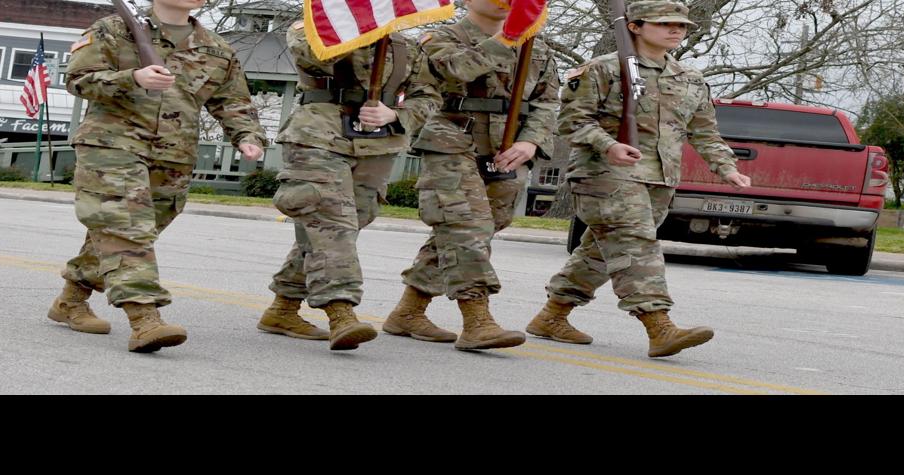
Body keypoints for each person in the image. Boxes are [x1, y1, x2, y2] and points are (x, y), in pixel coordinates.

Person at [528, 0, 750, 358]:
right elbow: (571, 121)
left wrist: (727, 168)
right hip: (604, 174)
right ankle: (658, 325)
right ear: (635, 26)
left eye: (681, 25)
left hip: (659, 179)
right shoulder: (603, 70)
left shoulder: (689, 79)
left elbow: (704, 132)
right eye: (665, 23)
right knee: (636, 244)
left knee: (601, 251)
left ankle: (552, 316)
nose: (676, 30)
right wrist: (609, 145)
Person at [50, 0, 265, 353]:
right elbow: (78, 79)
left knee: (128, 230)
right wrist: (132, 77)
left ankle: (71, 299)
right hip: (111, 145)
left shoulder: (217, 48)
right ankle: (145, 319)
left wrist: (247, 137)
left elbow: (233, 101)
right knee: (125, 226)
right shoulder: (113, 29)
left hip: (173, 156)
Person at [384, 0, 559, 351]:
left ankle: (408, 311)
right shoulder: (439, 38)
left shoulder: (536, 47)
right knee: (467, 227)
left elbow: (546, 102)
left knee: (464, 232)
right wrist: (508, 38)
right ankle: (478, 320)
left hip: (506, 149)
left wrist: (530, 141)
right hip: (451, 141)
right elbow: (456, 70)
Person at [258, 21, 442, 351]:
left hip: (376, 145)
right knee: (332, 223)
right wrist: (359, 25)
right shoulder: (315, 26)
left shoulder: (404, 47)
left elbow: (428, 95)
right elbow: (315, 55)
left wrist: (396, 114)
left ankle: (283, 308)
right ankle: (341, 311)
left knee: (344, 224)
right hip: (318, 136)